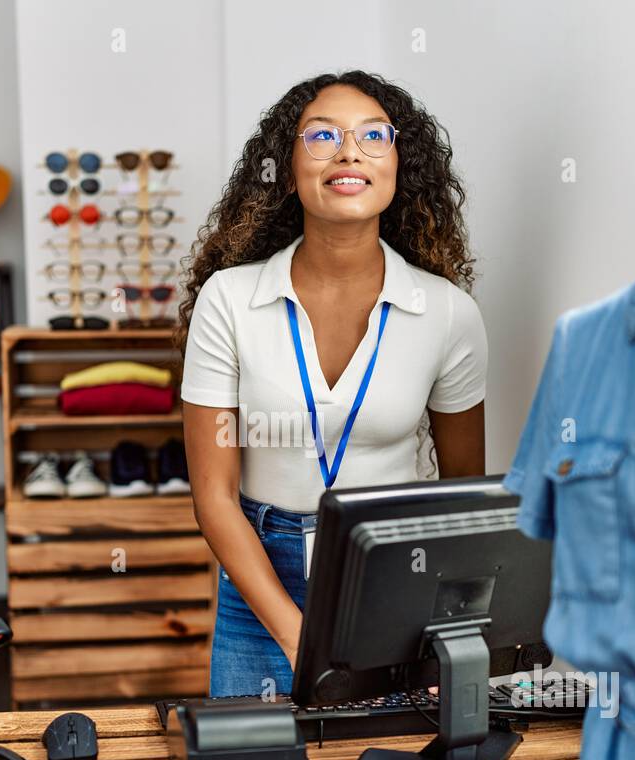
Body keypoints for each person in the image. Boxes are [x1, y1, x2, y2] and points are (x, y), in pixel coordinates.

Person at [180, 70, 487, 697]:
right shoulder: (229, 300)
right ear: (286, 164)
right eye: (322, 136)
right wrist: (301, 641)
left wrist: (447, 633)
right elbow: (214, 495)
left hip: (396, 577)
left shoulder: (449, 313)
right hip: (261, 579)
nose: (349, 151)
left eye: (374, 135)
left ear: (401, 163)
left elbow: (463, 496)